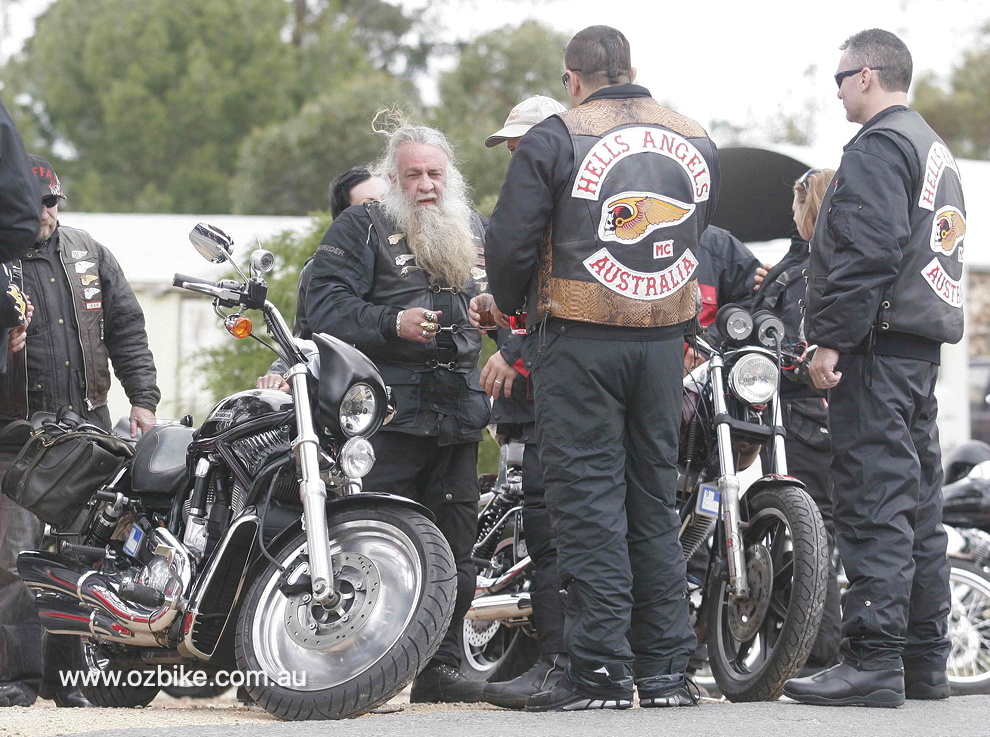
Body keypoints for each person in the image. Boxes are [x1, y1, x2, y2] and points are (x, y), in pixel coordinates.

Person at [486, 25, 719, 711]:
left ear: (573, 78)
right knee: (652, 498)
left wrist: (509, 310)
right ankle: (669, 672)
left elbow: (510, 241)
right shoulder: (694, 135)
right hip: (659, 341)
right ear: (631, 70)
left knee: (587, 500)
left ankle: (598, 671)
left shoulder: (557, 135)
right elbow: (693, 238)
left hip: (579, 334)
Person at [784, 29, 964, 707]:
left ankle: (874, 660)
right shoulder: (931, 147)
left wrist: (829, 338)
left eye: (837, 78)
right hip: (918, 349)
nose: (834, 91)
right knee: (918, 506)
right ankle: (924, 661)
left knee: (874, 501)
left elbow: (868, 249)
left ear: (865, 75)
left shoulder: (880, 146)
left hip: (878, 351)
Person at [305, 120, 490, 703]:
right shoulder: (360, 228)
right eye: (414, 174)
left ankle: (443, 667)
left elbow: (501, 300)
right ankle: (355, 669)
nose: (427, 184)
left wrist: (492, 309)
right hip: (384, 418)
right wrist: (392, 323)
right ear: (394, 177)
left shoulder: (471, 228)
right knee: (370, 545)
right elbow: (321, 307)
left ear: (450, 176)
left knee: (456, 547)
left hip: (458, 413)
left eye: (436, 173)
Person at [0, 155, 160, 708]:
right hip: (16, 433)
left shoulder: (88, 252)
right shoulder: (1, 258)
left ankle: (67, 683)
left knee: (80, 554)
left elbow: (126, 328)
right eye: (37, 203)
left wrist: (142, 399)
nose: (47, 212)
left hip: (86, 425)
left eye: (53, 202)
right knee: (16, 556)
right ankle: (15, 681)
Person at [475, 95, 569, 710]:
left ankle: (562, 661)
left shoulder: (564, 218)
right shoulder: (509, 217)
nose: (515, 158)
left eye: (522, 147)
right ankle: (552, 656)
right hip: (527, 404)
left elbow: (553, 308)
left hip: (556, 397)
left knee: (554, 524)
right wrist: (495, 323)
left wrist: (512, 346)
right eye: (511, 150)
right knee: (539, 523)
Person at [752, 167, 841, 675]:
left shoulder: (808, 273)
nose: (789, 214)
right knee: (812, 530)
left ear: (809, 207)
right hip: (805, 418)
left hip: (803, 418)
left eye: (794, 206)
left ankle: (814, 654)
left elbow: (786, 344)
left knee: (812, 532)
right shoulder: (800, 266)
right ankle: (811, 651)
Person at [257, 166, 385, 391]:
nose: (381, 212)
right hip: (352, 396)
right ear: (346, 218)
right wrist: (279, 376)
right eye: (369, 205)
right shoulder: (319, 269)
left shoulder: (419, 262)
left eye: (387, 202)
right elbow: (305, 342)